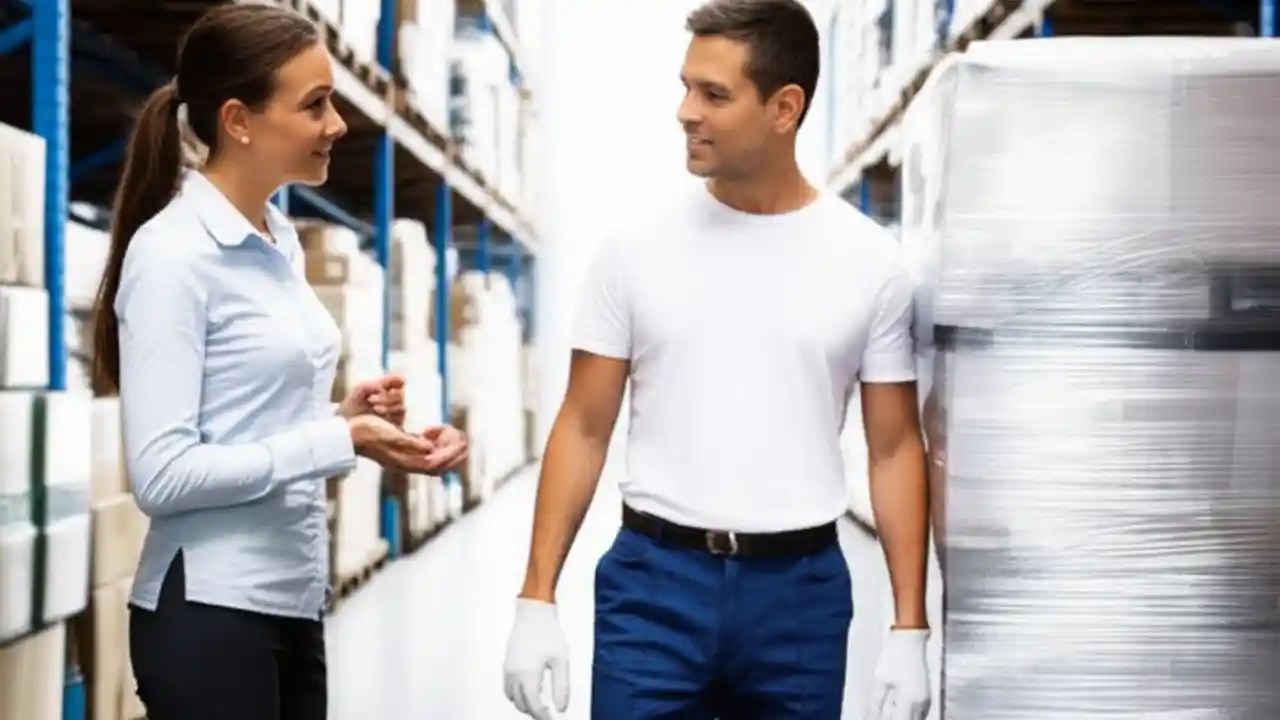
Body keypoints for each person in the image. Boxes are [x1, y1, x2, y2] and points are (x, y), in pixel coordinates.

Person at [502, 0, 933, 718]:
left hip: (800, 597)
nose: (684, 111)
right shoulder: (634, 252)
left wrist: (910, 624)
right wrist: (536, 597)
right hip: (653, 588)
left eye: (714, 94)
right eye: (685, 86)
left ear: (784, 107)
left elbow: (893, 448)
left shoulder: (870, 263)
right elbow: (583, 425)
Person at [87, 5, 468, 719]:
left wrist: (346, 416)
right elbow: (163, 476)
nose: (338, 125)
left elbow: (243, 424)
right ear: (239, 120)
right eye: (315, 105)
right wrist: (338, 439)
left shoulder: (277, 240)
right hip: (208, 613)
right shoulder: (173, 257)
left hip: (291, 599)